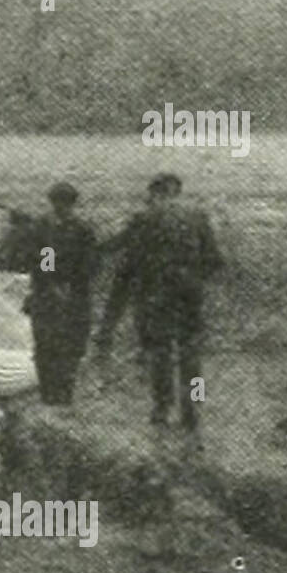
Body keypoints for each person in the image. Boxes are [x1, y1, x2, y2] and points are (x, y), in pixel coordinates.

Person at [95, 173, 224, 432]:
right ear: (178, 191)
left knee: (161, 353)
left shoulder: (144, 218)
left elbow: (118, 249)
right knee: (191, 353)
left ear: (154, 193)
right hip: (190, 296)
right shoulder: (198, 216)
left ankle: (162, 408)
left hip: (156, 297)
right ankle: (193, 408)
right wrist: (195, 279)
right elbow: (215, 260)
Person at [22, 182, 99, 404]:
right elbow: (42, 258)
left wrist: (70, 284)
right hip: (49, 295)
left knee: (72, 345)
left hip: (73, 295)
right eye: (58, 203)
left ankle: (64, 394)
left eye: (65, 203)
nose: (61, 207)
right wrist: (53, 284)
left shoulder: (82, 230)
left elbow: (90, 264)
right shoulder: (44, 228)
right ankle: (49, 394)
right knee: (46, 345)